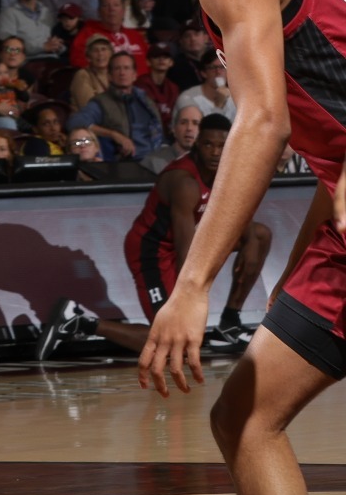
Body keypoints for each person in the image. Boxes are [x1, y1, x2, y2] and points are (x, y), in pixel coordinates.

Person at [117, 0, 346, 495]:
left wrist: (191, 286)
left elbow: (264, 122)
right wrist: (302, 254)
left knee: (246, 417)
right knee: (244, 417)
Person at [40, 115, 270, 359]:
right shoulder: (183, 182)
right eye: (208, 144)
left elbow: (241, 214)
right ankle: (78, 322)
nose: (215, 152)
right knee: (172, 343)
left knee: (260, 235)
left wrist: (252, 243)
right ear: (196, 144)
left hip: (193, 239)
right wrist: (191, 302)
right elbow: (186, 252)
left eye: (222, 146)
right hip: (153, 249)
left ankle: (230, 322)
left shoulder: (230, 169)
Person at [69, 52, 166, 164]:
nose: (122, 73)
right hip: (126, 162)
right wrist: (113, 134)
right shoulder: (102, 102)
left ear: (134, 75)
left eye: (126, 68)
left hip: (155, 158)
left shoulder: (145, 100)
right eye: (117, 69)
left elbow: (159, 131)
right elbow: (75, 122)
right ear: (109, 76)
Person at [67, 0, 149, 67]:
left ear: (123, 11)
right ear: (98, 12)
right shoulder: (87, 34)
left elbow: (150, 61)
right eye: (106, 6)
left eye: (116, 5)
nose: (111, 9)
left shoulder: (135, 35)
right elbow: (78, 63)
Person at [177, 54, 237, 121]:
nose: (218, 72)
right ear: (203, 73)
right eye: (212, 68)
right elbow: (207, 130)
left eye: (222, 67)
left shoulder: (237, 98)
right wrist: (219, 105)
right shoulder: (188, 97)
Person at [148, 105, 205, 175]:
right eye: (183, 123)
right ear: (173, 129)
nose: (189, 128)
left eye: (195, 123)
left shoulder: (208, 162)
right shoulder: (153, 162)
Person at [138, 44, 182, 128]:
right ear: (148, 62)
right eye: (156, 56)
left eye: (165, 57)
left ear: (171, 62)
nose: (161, 59)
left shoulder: (174, 88)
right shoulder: (140, 84)